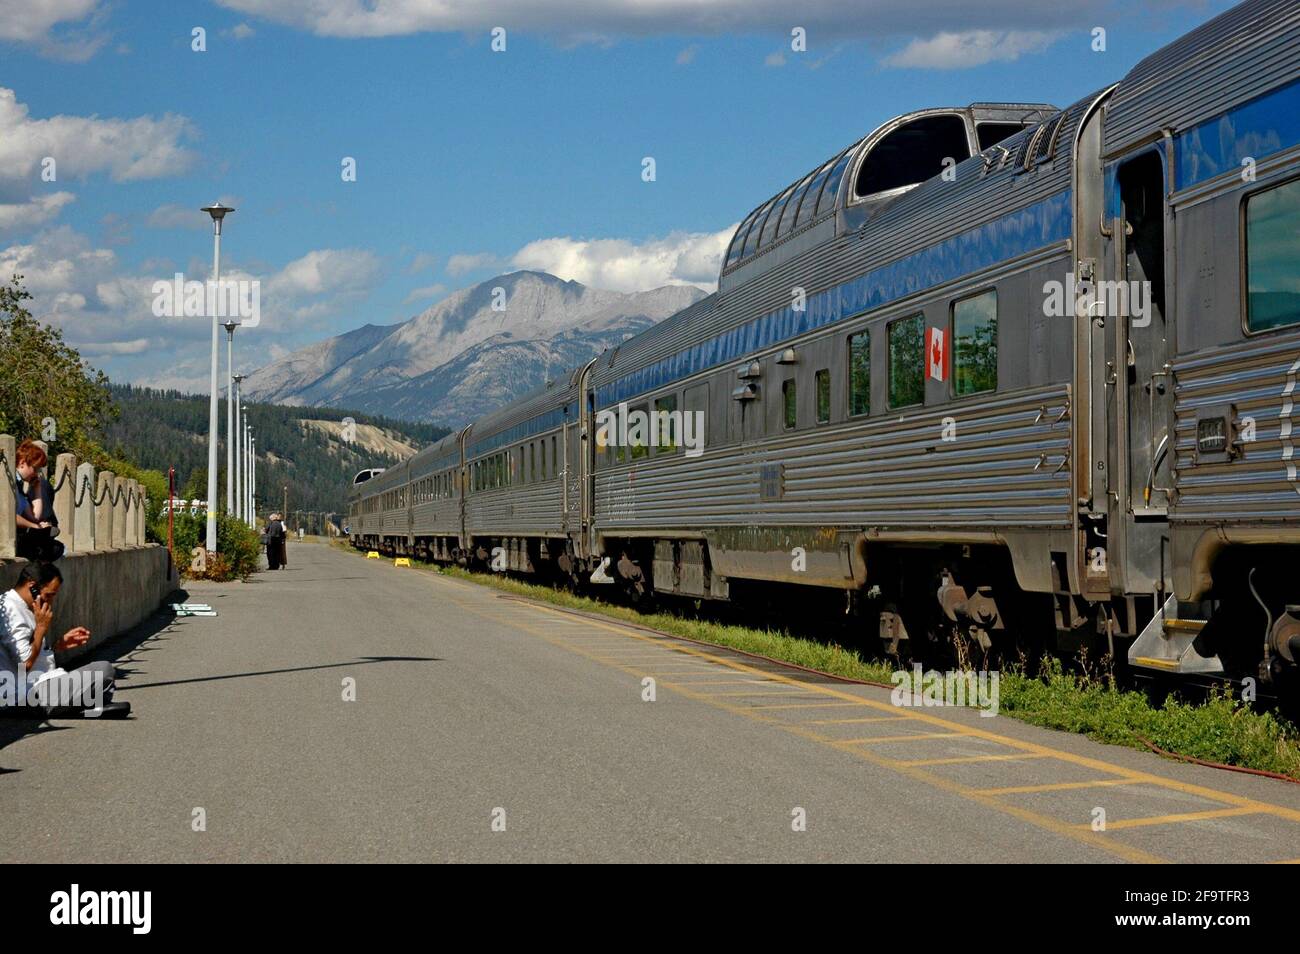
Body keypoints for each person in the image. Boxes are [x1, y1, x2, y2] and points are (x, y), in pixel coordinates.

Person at [0, 563, 130, 719]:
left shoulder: (25, 607)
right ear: (32, 586)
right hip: (23, 695)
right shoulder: (11, 611)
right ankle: (79, 706)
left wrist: (58, 645)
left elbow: (34, 654)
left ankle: (78, 706)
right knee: (103, 671)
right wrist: (41, 628)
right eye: (49, 595)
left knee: (102, 669)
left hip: (41, 684)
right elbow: (24, 663)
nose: (51, 602)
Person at [13, 440, 64, 562]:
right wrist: (35, 526)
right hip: (13, 536)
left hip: (23, 534)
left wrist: (37, 488)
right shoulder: (10, 481)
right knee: (51, 548)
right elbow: (9, 516)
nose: (37, 473)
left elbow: (35, 516)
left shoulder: (19, 486)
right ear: (22, 463)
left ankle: (44, 536)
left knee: (57, 548)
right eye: (35, 469)